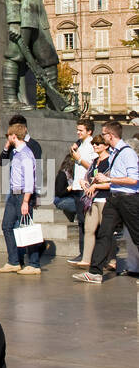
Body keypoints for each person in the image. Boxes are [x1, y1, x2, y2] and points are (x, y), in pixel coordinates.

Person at [73, 122, 139, 284]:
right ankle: (95, 272)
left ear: (111, 136)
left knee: (136, 235)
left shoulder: (127, 153)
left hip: (128, 198)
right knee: (104, 233)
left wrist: (109, 179)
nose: (101, 137)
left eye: (103, 134)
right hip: (114, 198)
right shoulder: (115, 153)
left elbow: (134, 179)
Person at [0, 121, 41, 274]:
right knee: (6, 225)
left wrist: (26, 201)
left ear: (13, 136)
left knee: (27, 228)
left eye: (8, 136)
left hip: (23, 194)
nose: (7, 138)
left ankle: (34, 264)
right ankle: (14, 261)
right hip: (13, 194)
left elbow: (30, 181)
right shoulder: (16, 153)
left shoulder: (26, 155)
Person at [66, 135, 110, 268]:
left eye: (98, 144)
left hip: (105, 198)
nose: (95, 146)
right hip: (92, 199)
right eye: (94, 144)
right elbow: (89, 177)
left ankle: (111, 260)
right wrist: (84, 183)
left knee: (106, 230)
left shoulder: (110, 161)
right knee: (89, 228)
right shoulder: (95, 161)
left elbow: (111, 182)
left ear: (106, 145)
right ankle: (86, 259)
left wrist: (95, 186)